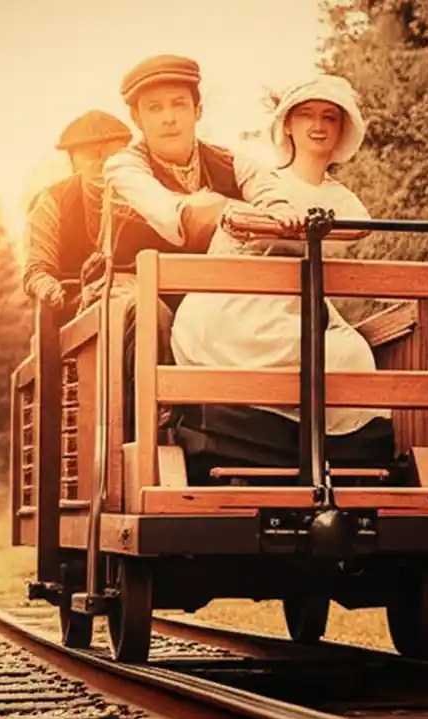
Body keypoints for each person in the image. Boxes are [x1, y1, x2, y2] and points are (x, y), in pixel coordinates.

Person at [84, 54, 302, 438]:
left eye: (179, 105)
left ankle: (261, 426)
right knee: (151, 313)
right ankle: (154, 430)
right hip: (128, 284)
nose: (168, 117)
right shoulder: (123, 168)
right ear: (138, 119)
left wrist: (283, 214)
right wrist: (231, 212)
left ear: (197, 110)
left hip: (207, 287)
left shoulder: (232, 161)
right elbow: (176, 220)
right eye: (155, 108)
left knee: (271, 310)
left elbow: (275, 199)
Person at [169, 74, 390, 436]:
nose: (317, 126)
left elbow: (344, 238)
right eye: (306, 115)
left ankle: (313, 445)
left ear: (341, 128)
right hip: (235, 308)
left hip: (292, 313)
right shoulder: (260, 182)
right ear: (288, 124)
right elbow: (228, 232)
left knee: (352, 356)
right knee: (227, 329)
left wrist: (299, 231)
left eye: (329, 117)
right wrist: (260, 221)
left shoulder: (347, 204)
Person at [22, 110, 132, 311]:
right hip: (74, 314)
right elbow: (36, 270)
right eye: (93, 155)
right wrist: (50, 290)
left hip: (138, 302)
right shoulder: (52, 201)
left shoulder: (147, 196)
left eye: (113, 155)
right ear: (73, 163)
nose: (103, 164)